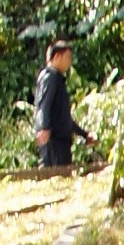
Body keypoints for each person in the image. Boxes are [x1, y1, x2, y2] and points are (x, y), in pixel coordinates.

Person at [33, 40, 89, 169]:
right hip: (54, 140)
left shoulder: (57, 78)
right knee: (55, 176)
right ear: (57, 56)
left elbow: (64, 117)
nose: (70, 62)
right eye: (67, 57)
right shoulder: (50, 77)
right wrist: (43, 127)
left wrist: (84, 134)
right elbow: (43, 105)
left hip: (61, 141)